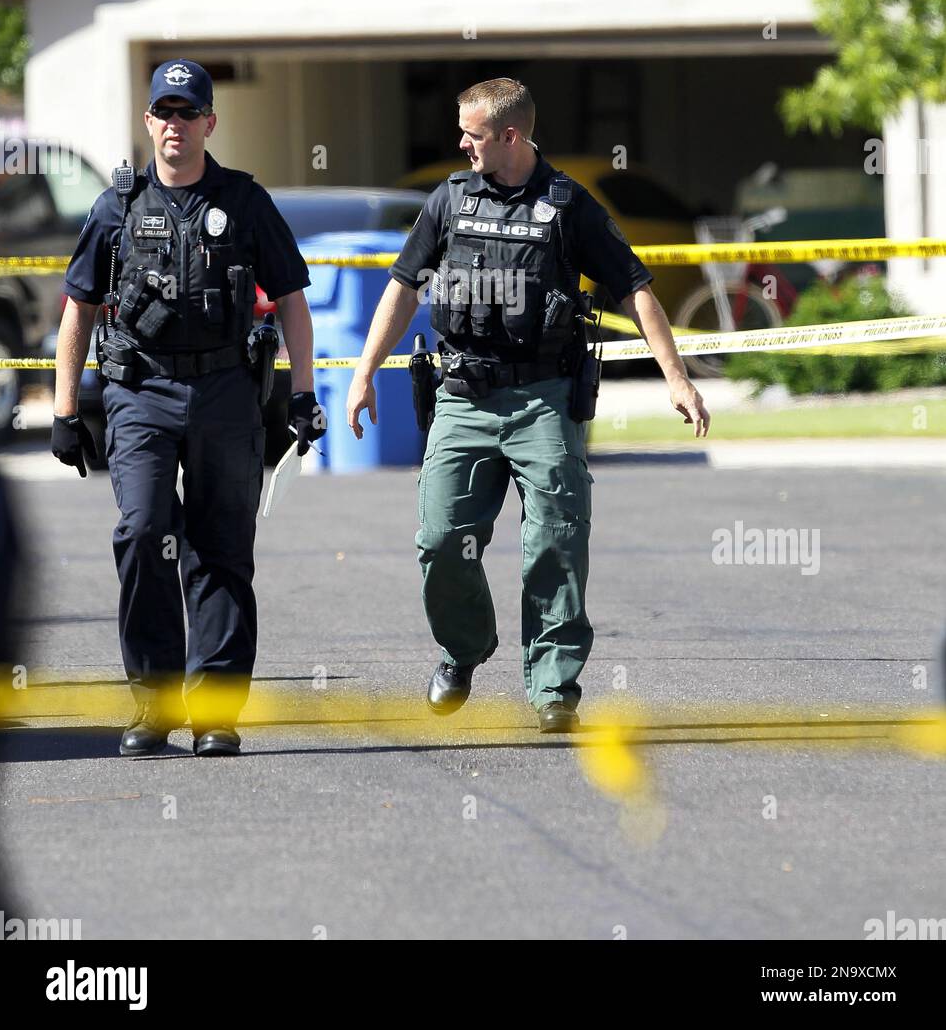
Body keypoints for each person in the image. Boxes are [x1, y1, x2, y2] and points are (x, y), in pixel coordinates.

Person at [347, 77, 709, 733]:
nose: (461, 144)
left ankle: (552, 687)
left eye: (473, 134)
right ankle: (464, 649)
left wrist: (677, 378)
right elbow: (402, 288)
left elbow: (634, 289)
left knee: (556, 541)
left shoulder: (567, 204)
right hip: (462, 396)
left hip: (543, 397)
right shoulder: (449, 201)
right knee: (439, 541)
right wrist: (364, 373)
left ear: (511, 135)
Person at [51, 59, 326, 757]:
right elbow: (78, 311)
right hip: (139, 391)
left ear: (210, 121)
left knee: (220, 549)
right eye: (164, 113)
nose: (175, 125)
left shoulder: (244, 200)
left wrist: (301, 393)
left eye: (188, 112)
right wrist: (62, 410)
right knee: (144, 532)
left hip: (227, 393)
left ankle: (216, 712)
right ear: (148, 122)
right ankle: (154, 704)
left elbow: (292, 298)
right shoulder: (117, 206)